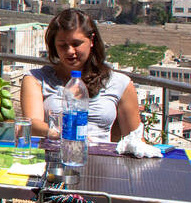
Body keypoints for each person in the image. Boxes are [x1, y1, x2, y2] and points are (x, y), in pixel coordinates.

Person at [21, 8, 141, 144]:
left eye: (76, 44)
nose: (70, 51)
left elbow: (134, 137)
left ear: (91, 40)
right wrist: (58, 133)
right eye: (62, 45)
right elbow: (33, 123)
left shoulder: (120, 83)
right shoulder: (36, 79)